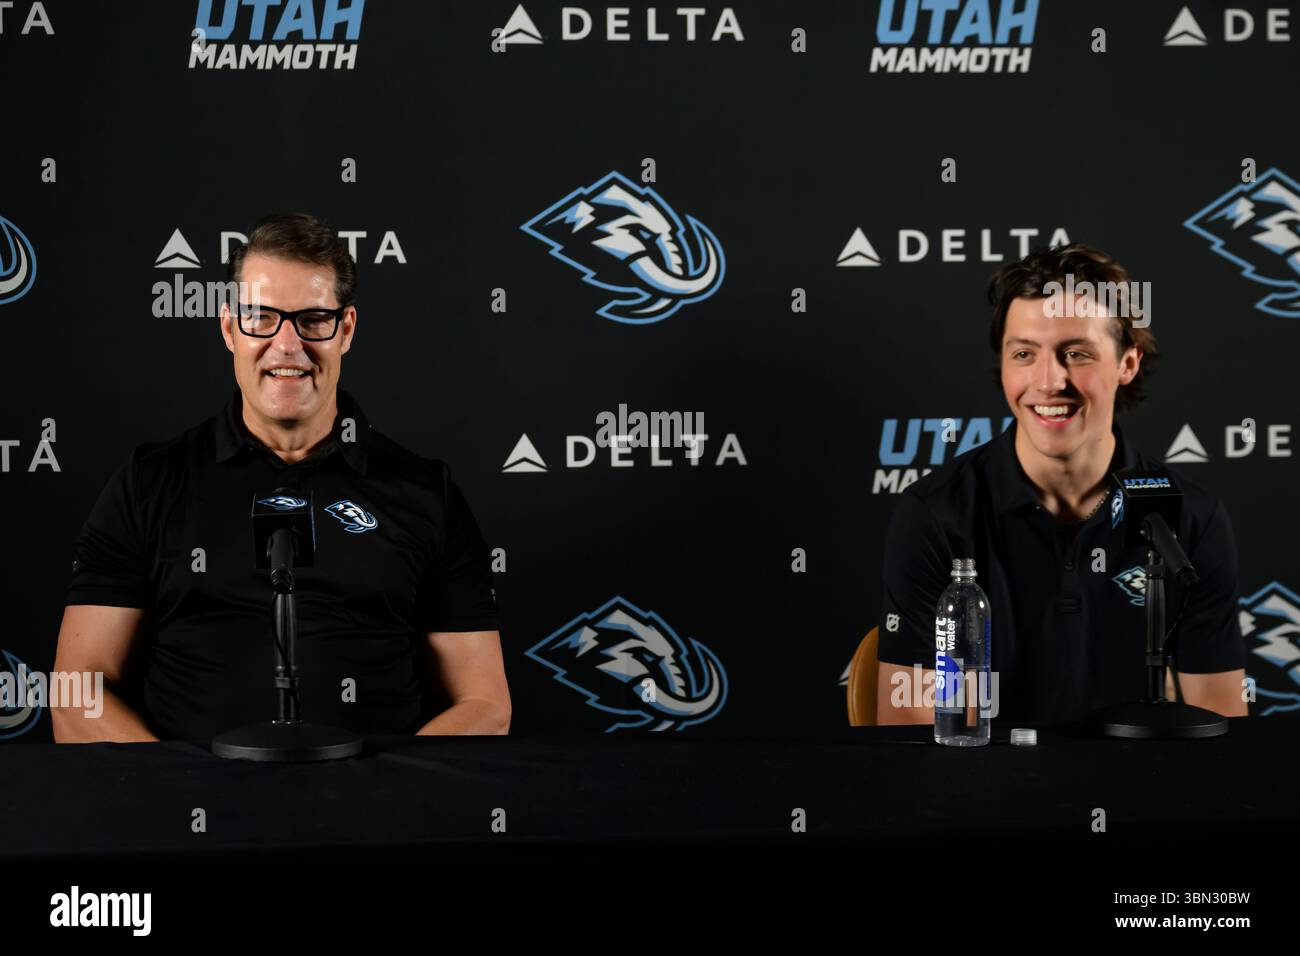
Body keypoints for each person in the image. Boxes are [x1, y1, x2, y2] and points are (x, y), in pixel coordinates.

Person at [53, 213, 510, 742]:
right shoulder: (149, 483)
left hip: (371, 814)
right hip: (186, 811)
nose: (287, 345)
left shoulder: (426, 492)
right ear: (229, 328)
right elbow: (73, 691)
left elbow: (485, 703)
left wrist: (384, 797)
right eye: (261, 317)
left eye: (313, 318)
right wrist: (179, 795)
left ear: (346, 329)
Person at [876, 243, 1247, 725]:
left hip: (1143, 793)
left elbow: (1217, 720)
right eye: (1024, 353)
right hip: (986, 796)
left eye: (1076, 353)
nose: (1049, 381)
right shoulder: (936, 513)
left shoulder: (1192, 517)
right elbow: (910, 727)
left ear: (1127, 364)